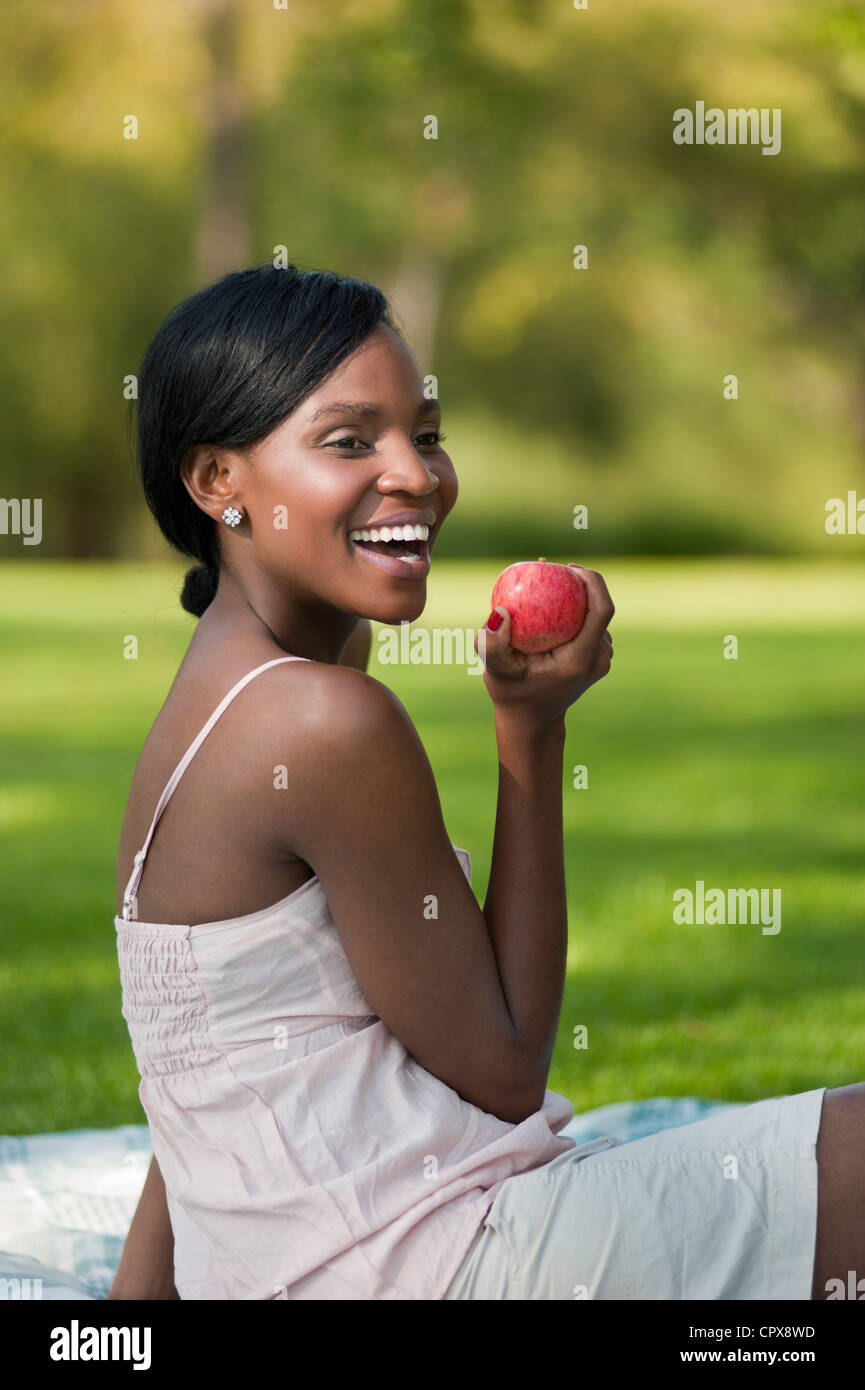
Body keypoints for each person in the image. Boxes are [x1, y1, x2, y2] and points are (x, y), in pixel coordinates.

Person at [109, 262, 863, 1301]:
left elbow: (200, 1085)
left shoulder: (223, 698)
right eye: (347, 440)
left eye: (422, 432)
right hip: (423, 1264)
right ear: (216, 482)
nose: (415, 474)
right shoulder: (321, 718)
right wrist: (530, 733)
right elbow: (505, 1072)